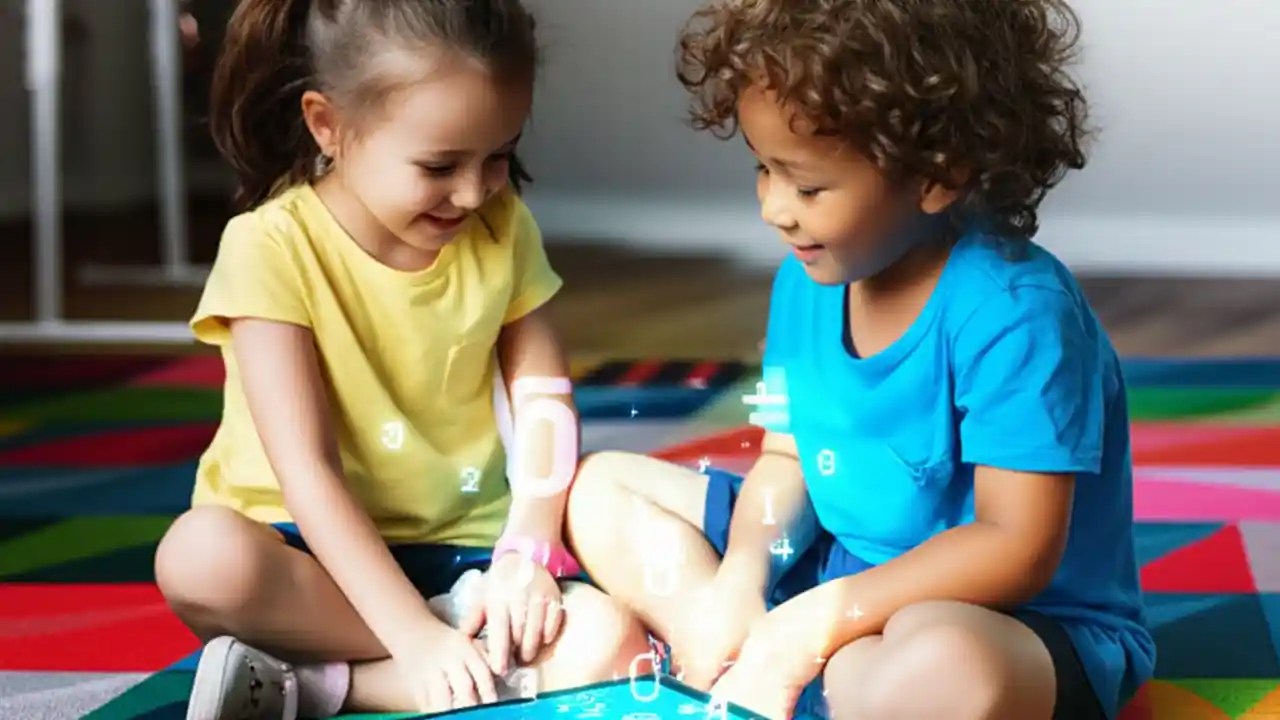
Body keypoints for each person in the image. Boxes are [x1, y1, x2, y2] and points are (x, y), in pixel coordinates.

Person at [565, 1, 1156, 719]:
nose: (773, 210)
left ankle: (796, 673)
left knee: (948, 667)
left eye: (808, 186)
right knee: (599, 487)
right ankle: (726, 663)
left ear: (938, 175)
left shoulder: (1017, 312)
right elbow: (788, 461)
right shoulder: (806, 278)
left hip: (1010, 617)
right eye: (764, 170)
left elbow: (1016, 546)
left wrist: (820, 621)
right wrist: (743, 582)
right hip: (840, 572)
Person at [153, 1, 650, 718]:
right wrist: (414, 634)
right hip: (303, 559)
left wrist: (531, 553)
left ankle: (328, 686)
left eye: (500, 157)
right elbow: (308, 474)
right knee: (197, 557)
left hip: (464, 557)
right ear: (328, 125)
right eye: (440, 165)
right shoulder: (269, 247)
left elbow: (544, 399)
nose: (476, 192)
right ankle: (444, 665)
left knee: (610, 644)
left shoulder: (503, 228)